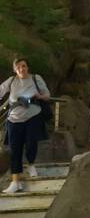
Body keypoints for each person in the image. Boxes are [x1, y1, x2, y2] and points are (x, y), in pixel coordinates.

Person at [1, 57, 51, 195]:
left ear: (27, 67)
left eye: (23, 66)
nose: (21, 69)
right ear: (14, 69)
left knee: (30, 143)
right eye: (18, 67)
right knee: (14, 150)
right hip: (14, 119)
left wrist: (39, 97)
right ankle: (15, 182)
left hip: (33, 116)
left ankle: (31, 164)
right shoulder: (11, 81)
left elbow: (47, 94)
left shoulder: (36, 78)